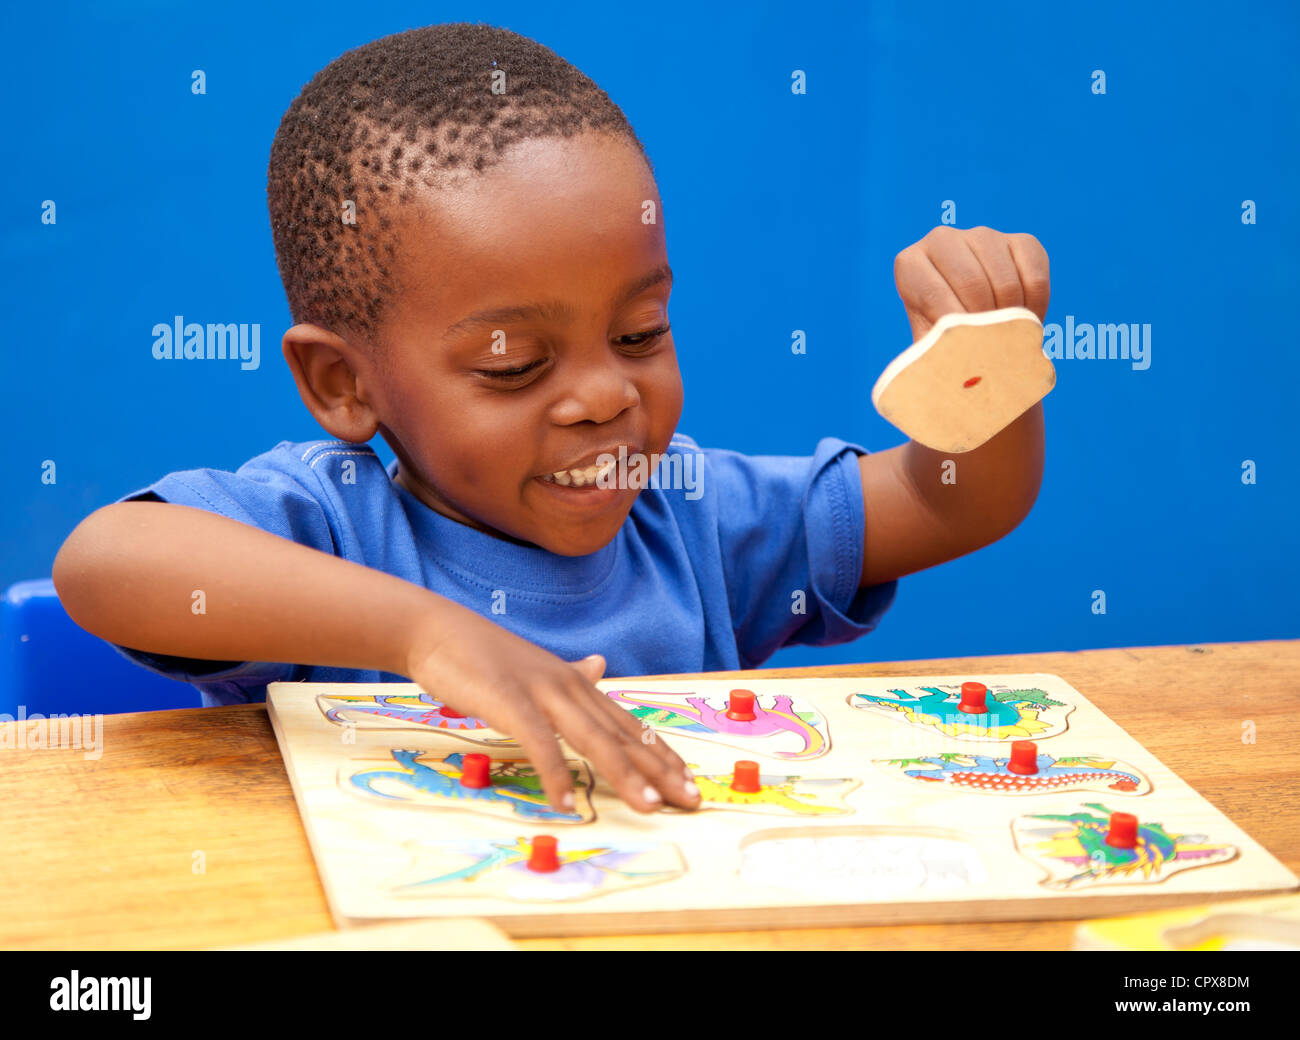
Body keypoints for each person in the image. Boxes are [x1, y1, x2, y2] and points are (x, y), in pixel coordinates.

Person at [53, 23, 1049, 816]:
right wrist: (428, 635)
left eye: (638, 334)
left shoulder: (689, 517)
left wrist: (985, 365)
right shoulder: (334, 524)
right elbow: (104, 558)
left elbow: (949, 502)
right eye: (513, 363)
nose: (602, 397)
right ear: (341, 384)